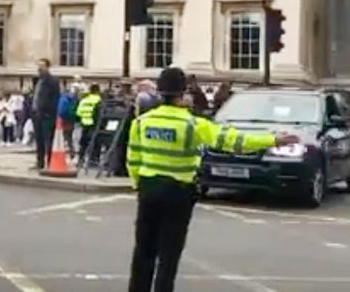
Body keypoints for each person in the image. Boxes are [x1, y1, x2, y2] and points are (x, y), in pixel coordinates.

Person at [127, 67, 299, 292]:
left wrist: (139, 184)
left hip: (149, 189)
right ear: (182, 94)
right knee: (169, 255)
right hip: (179, 190)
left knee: (143, 251)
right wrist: (272, 140)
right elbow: (235, 141)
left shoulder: (142, 122)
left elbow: (133, 158)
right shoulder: (193, 124)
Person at [32, 59, 60, 170]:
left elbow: (55, 99)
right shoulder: (37, 81)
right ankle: (40, 162)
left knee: (48, 140)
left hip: (47, 115)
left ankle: (50, 162)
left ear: (48, 67)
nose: (39, 68)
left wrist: (50, 112)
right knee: (39, 140)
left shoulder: (53, 81)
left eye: (42, 66)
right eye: (38, 66)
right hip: (37, 114)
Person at [77, 83, 102, 165]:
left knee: (83, 143)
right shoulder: (99, 99)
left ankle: (80, 159)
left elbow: (79, 113)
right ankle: (93, 160)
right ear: (98, 91)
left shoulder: (84, 100)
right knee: (96, 143)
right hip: (95, 125)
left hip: (84, 124)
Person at [56, 82, 80, 158]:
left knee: (62, 136)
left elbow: (61, 110)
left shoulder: (63, 98)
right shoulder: (74, 99)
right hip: (71, 119)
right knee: (69, 137)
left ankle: (62, 152)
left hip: (63, 119)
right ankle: (71, 151)